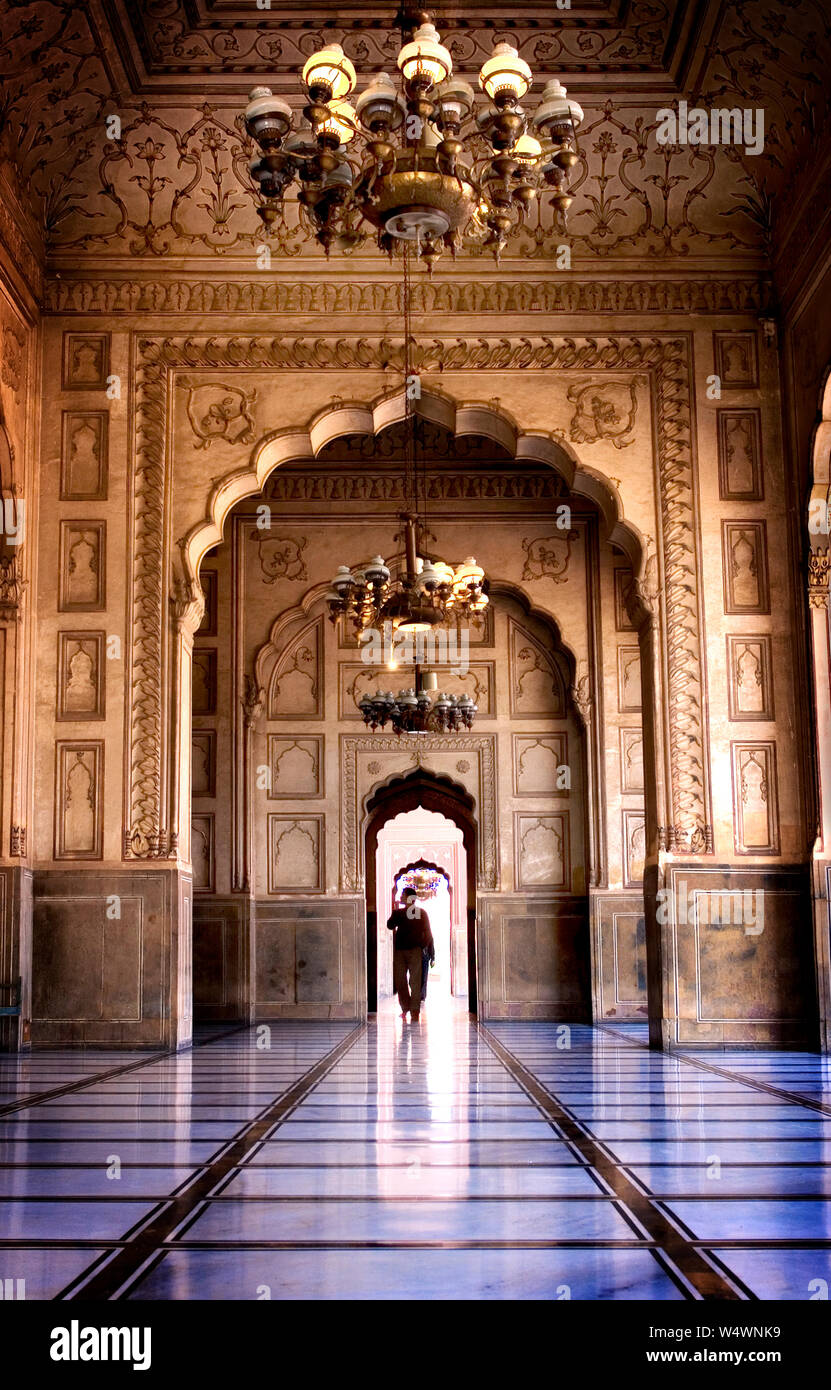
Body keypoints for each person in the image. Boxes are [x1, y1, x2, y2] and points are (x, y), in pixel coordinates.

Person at [386, 888, 434, 1022]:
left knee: (414, 982)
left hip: (413, 951)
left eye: (403, 895)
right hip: (401, 951)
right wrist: (395, 910)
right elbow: (390, 925)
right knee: (401, 980)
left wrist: (421, 946)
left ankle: (414, 1011)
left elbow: (428, 933)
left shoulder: (420, 913)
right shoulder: (399, 913)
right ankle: (406, 1008)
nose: (401, 897)